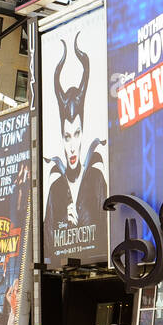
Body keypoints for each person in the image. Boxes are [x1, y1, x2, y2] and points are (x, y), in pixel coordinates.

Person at [44, 35, 108, 244]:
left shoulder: (97, 179)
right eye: (67, 136)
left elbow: (110, 234)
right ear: (61, 138)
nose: (72, 147)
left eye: (77, 134)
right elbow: (46, 248)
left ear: (84, 133)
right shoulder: (55, 190)